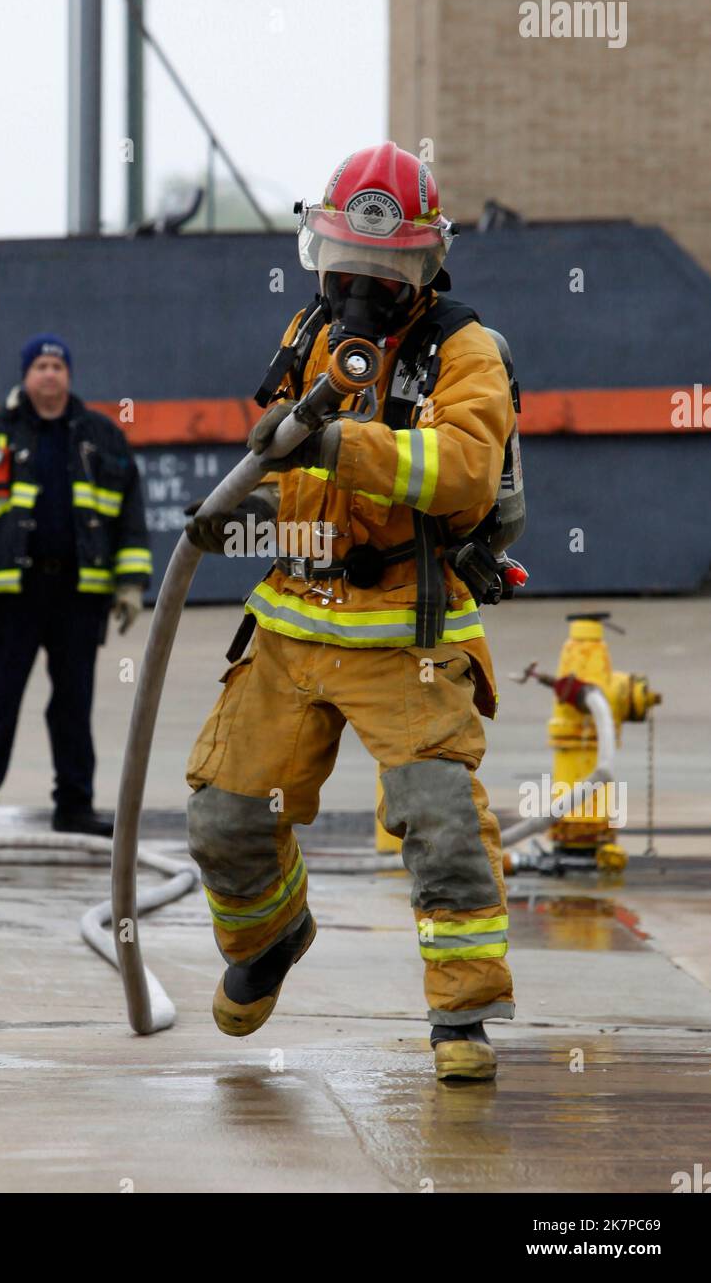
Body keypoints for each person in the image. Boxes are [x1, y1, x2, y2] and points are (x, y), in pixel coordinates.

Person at [184, 143, 519, 1081]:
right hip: (294, 620)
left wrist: (340, 442)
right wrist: (239, 515)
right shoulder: (308, 338)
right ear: (316, 251)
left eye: (387, 266)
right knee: (222, 819)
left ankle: (461, 1019)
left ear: (429, 263)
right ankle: (272, 934)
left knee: (441, 823)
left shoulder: (466, 351)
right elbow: (289, 476)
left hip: (405, 631)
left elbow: (461, 472)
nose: (360, 285)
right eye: (344, 260)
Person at [0, 334, 152, 838]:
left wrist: (129, 585)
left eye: (58, 364)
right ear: (25, 375)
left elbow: (129, 516)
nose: (50, 373)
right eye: (41, 365)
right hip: (12, 594)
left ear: (69, 375)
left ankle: (75, 806)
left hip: (79, 596)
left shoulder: (101, 434)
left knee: (73, 705)